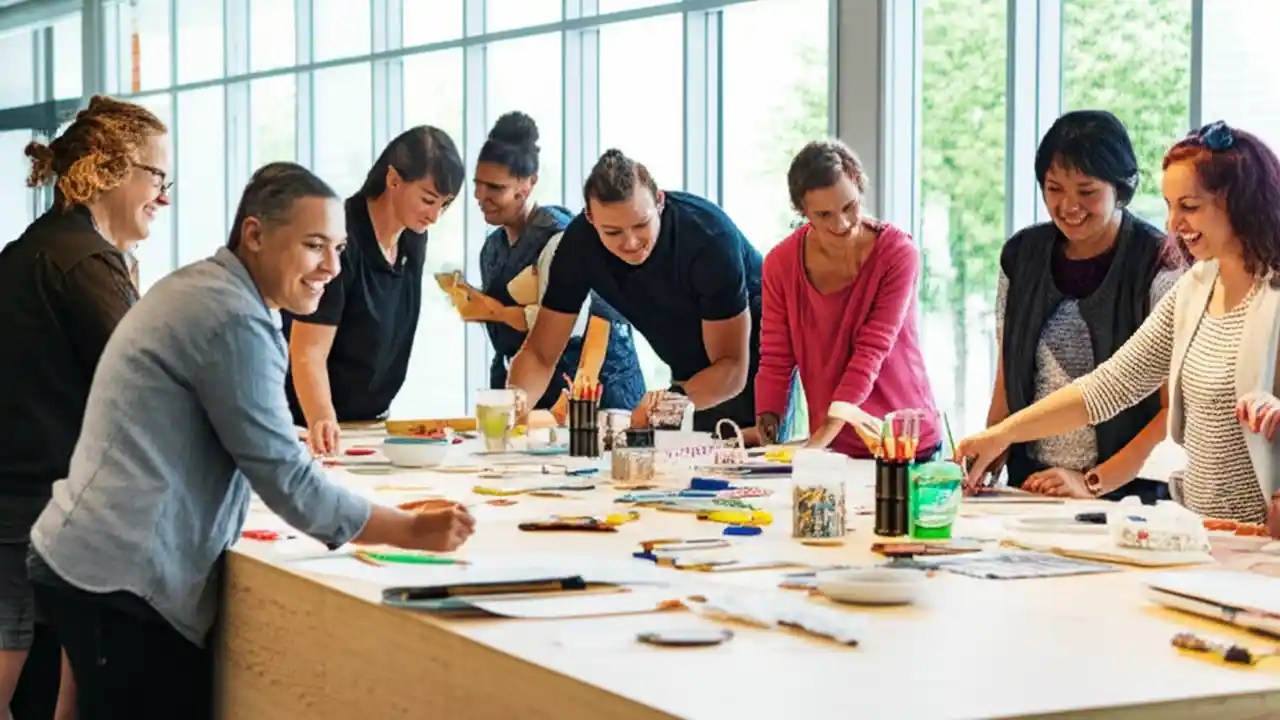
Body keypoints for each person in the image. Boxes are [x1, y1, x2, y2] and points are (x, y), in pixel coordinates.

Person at [26, 163, 476, 718]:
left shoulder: (206, 286)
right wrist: (406, 529)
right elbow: (287, 481)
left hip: (82, 556)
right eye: (315, 246)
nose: (332, 267)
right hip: (123, 580)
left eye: (338, 248)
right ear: (256, 234)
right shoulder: (235, 318)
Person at [958, 121, 1280, 526]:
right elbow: (1110, 385)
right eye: (1169, 205)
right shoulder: (1195, 288)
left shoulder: (1271, 294)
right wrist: (1001, 434)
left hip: (1264, 540)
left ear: (1240, 202)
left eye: (1190, 207)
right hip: (1202, 533)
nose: (1172, 224)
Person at [0, 95, 170, 720]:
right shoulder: (83, 263)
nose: (165, 195)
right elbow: (146, 384)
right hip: (34, 512)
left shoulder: (44, 249)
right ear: (108, 170)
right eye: (157, 176)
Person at [986, 110, 1185, 502]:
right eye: (1054, 188)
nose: (1068, 205)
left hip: (1130, 495)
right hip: (1031, 485)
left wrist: (1093, 481)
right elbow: (1008, 376)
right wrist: (989, 451)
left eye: (1087, 191)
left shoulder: (1159, 262)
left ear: (1122, 187)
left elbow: (1172, 411)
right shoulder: (1021, 254)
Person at [506, 149, 764, 434]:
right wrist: (509, 412)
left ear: (660, 202)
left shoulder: (709, 237)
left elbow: (732, 367)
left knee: (733, 454)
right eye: (613, 232)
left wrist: (665, 404)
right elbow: (540, 354)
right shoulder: (578, 245)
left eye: (641, 225)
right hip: (684, 360)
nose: (630, 243)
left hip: (751, 353)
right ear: (591, 219)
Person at [283, 126, 465, 455]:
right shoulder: (338, 238)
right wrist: (322, 420)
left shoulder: (414, 237)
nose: (435, 216)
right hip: (312, 424)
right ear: (393, 180)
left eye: (445, 205)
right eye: (428, 200)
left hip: (371, 423)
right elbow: (307, 352)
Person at [755, 139, 939, 458]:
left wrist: (822, 435)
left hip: (904, 444)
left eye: (849, 207)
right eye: (824, 214)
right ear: (803, 212)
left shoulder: (898, 254)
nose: (840, 224)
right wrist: (767, 424)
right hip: (833, 450)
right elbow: (776, 357)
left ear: (858, 185)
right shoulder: (780, 263)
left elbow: (872, 348)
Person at [464, 112, 644, 412]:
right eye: (478, 184)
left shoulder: (561, 238)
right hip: (534, 395)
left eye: (495, 188)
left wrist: (496, 311)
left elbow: (569, 326)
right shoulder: (491, 248)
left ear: (528, 185)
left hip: (597, 397)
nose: (481, 196)